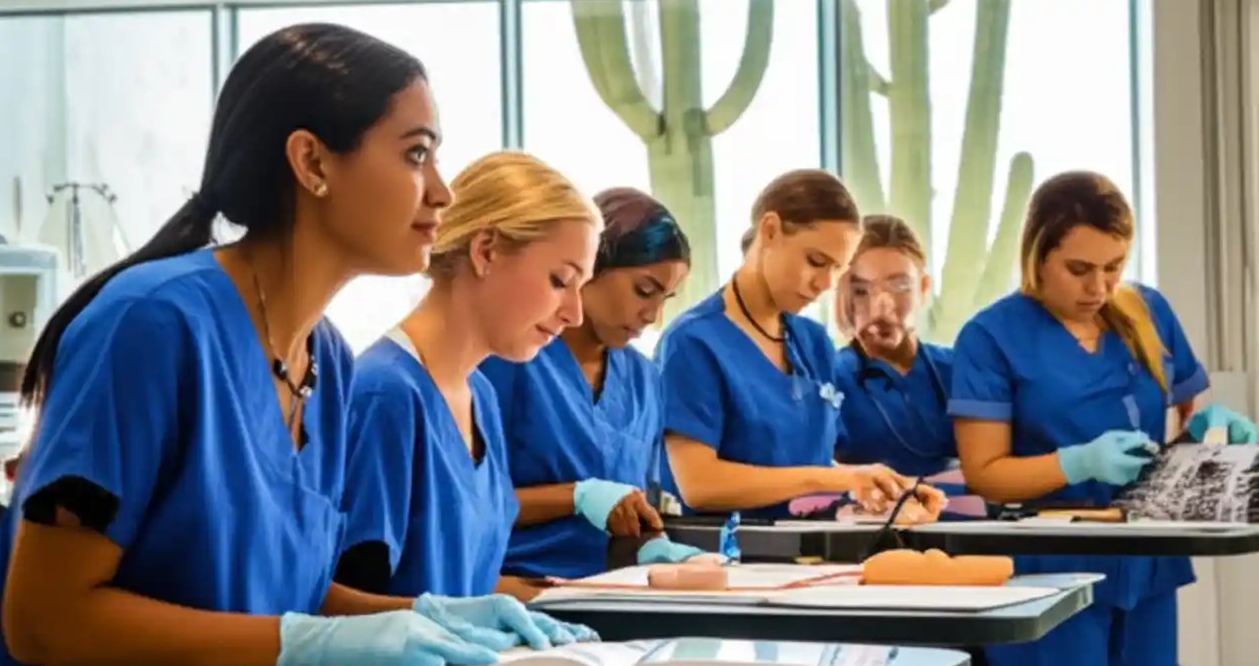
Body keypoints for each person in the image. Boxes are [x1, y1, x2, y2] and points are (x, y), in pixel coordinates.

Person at [0, 25, 571, 666]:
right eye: (416, 154)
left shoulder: (328, 363)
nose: (443, 193)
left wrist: (433, 616)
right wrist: (315, 640)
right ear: (312, 162)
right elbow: (45, 621)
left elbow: (286, 593)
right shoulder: (153, 326)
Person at [948, 170, 1258, 666]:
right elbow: (984, 471)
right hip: (1047, 573)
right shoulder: (990, 337)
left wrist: (1214, 433)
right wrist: (1076, 463)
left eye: (1114, 267)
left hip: (1147, 562)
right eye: (1079, 270)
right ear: (1036, 256)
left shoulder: (1149, 311)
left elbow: (1186, 432)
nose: (1099, 288)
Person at [336, 150, 608, 616]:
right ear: (486, 251)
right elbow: (335, 604)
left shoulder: (479, 396)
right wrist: (451, 623)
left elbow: (467, 583)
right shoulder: (386, 394)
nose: (575, 314)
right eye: (560, 280)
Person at [656, 169, 946, 519]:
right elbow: (700, 485)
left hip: (813, 552)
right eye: (816, 262)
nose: (824, 283)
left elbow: (811, 466)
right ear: (770, 231)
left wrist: (882, 489)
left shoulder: (813, 343)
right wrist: (836, 478)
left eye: (837, 271)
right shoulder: (693, 343)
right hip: (726, 560)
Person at [479, 187, 700, 582]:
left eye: (665, 298)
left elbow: (635, 503)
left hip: (615, 593)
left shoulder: (643, 380)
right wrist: (576, 497)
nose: (653, 314)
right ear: (589, 267)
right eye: (644, 290)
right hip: (517, 589)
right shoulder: (509, 359)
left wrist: (653, 544)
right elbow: (465, 505)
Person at [832, 215, 984, 519]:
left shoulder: (959, 369)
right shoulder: (829, 378)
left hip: (966, 540)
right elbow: (815, 479)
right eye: (862, 290)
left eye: (900, 285)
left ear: (924, 287)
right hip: (872, 544)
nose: (882, 306)